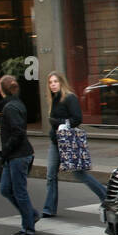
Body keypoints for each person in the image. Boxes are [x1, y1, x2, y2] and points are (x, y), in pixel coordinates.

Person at [41, 71, 105, 218]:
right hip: (55, 142)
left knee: (79, 174)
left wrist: (59, 122)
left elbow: (77, 118)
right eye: (50, 82)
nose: (53, 85)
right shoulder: (53, 99)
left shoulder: (70, 98)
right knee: (50, 175)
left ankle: (106, 195)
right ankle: (49, 208)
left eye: (55, 82)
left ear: (61, 82)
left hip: (68, 141)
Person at [0, 74, 38, 235]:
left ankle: (28, 227)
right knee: (6, 189)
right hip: (15, 155)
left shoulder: (11, 107)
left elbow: (18, 132)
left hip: (18, 156)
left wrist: (6, 150)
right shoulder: (14, 104)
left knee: (19, 191)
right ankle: (31, 214)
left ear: (2, 89)